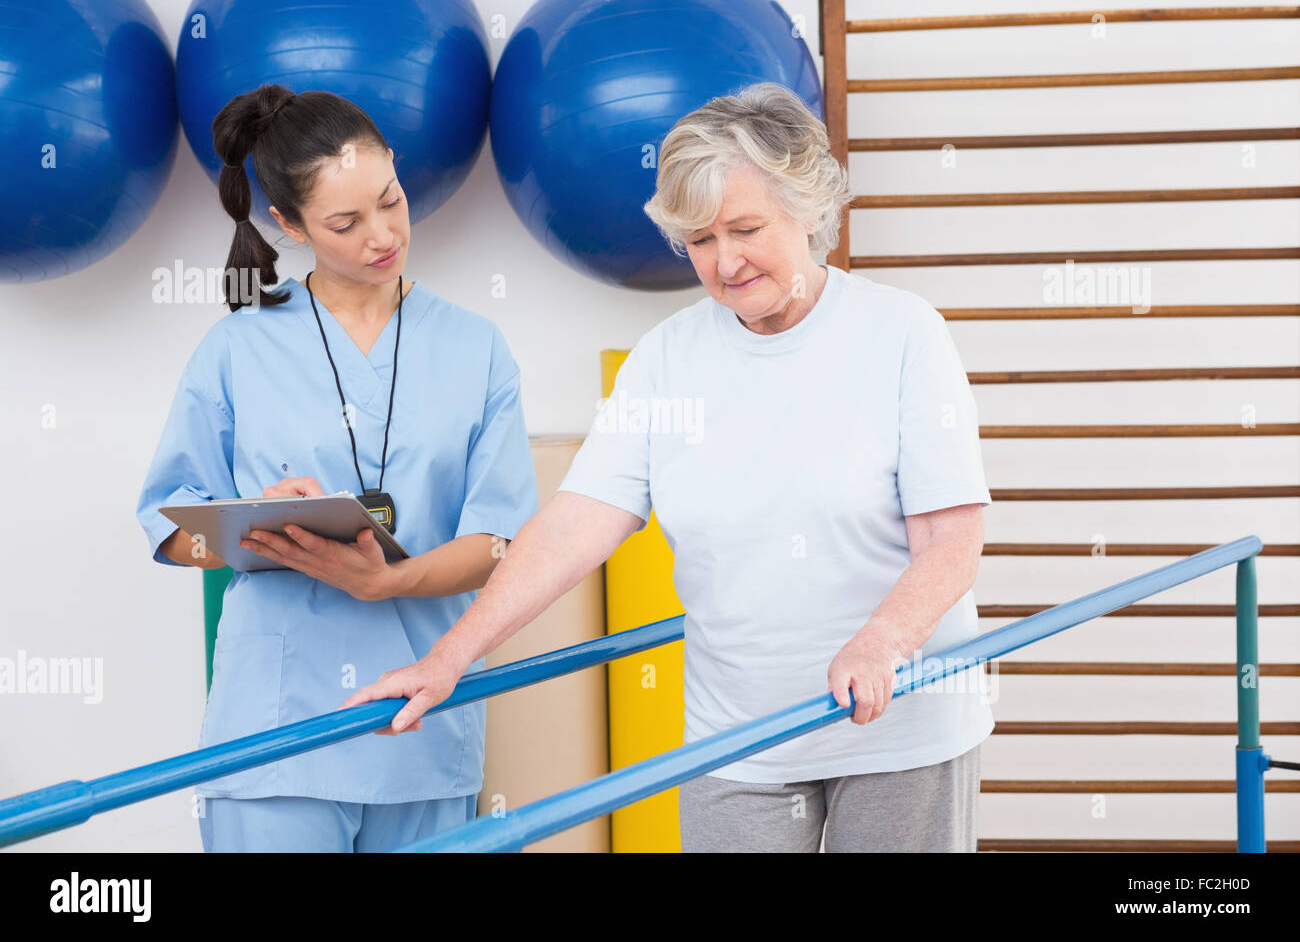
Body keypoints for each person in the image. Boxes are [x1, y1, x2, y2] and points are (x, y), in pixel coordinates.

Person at [342, 82, 992, 852]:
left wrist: (880, 643)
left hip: (900, 731)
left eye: (745, 228)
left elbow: (951, 541)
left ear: (809, 208)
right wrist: (450, 657)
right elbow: (572, 527)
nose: (724, 260)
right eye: (700, 239)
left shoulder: (901, 334)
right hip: (736, 738)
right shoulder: (665, 361)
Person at [135, 85, 538, 852]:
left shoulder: (477, 348)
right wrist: (252, 526)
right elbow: (167, 530)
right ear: (289, 225)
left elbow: (501, 543)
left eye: (390, 200)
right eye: (346, 223)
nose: (383, 235)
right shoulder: (238, 348)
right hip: (274, 742)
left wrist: (394, 579)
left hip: (422, 737)